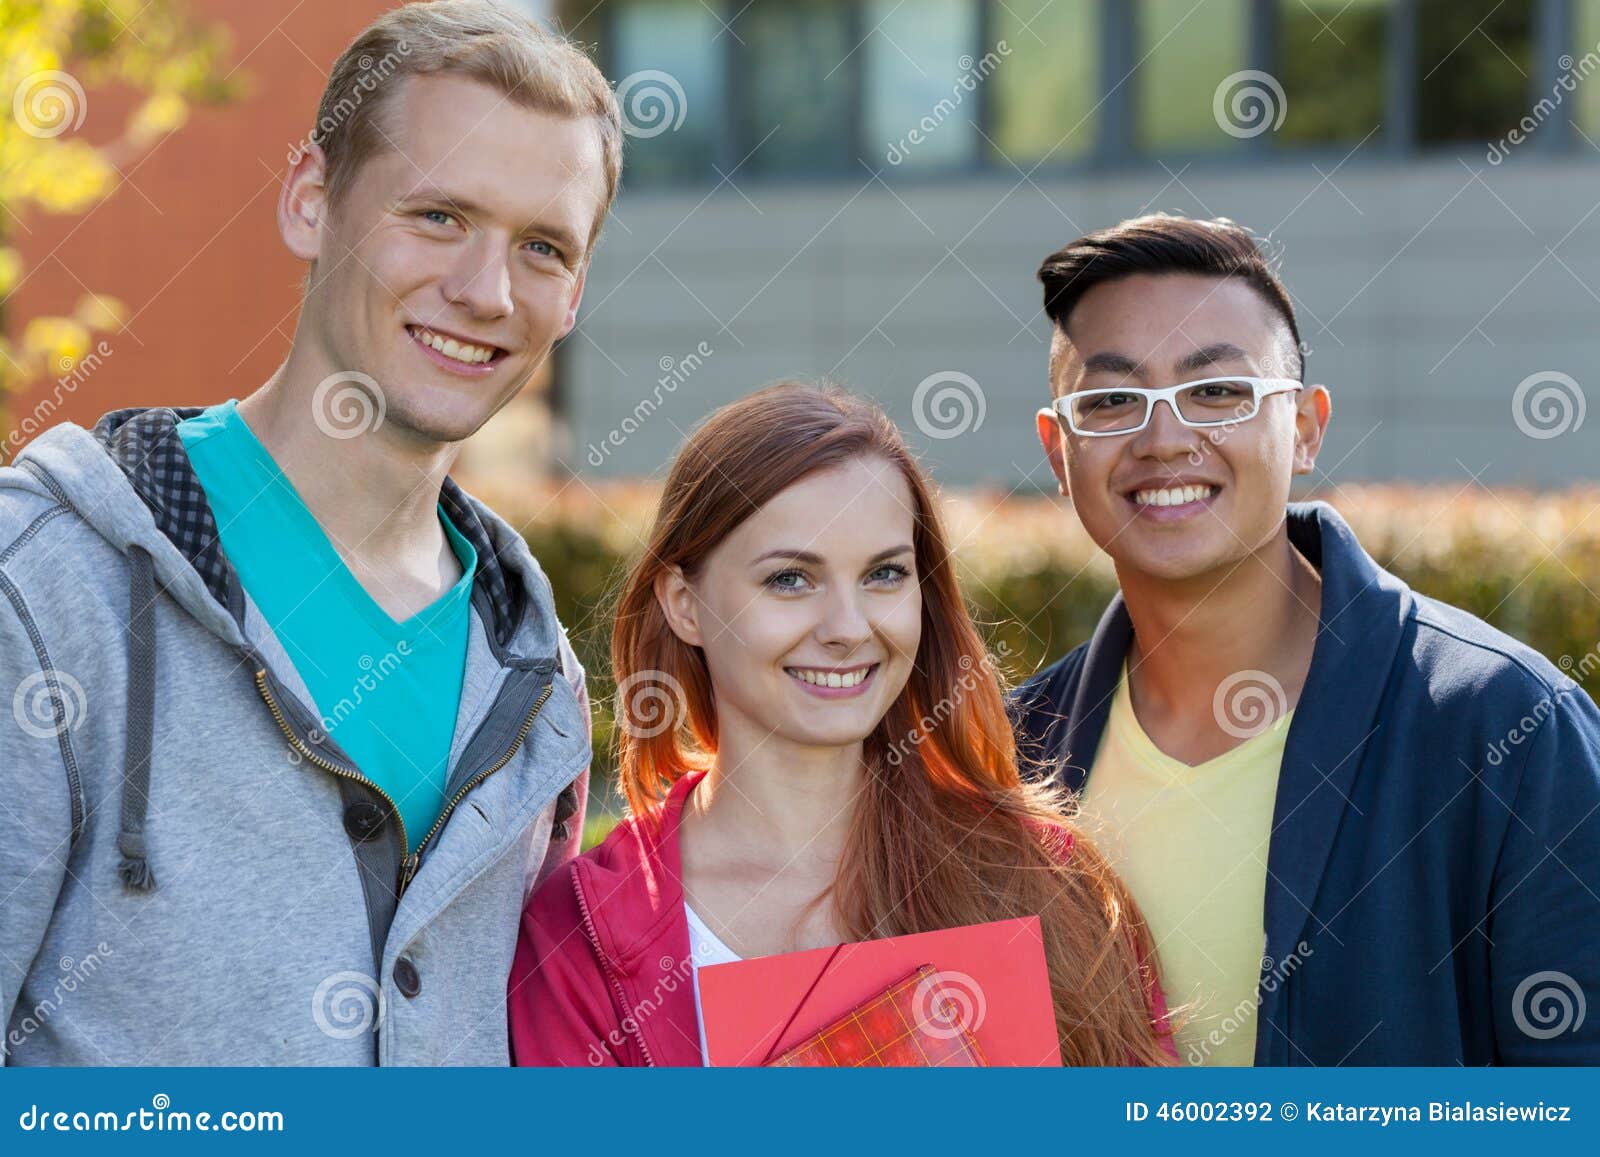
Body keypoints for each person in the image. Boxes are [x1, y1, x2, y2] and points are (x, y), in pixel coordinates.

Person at [0, 0, 617, 1064]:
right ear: (310, 200)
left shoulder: (538, 685)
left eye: (542, 247)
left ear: (572, 298)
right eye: (437, 217)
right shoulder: (48, 588)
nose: (483, 290)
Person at [1012, 212, 1600, 1066]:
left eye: (1217, 391)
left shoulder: (1503, 727)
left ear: (1307, 428)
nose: (1165, 438)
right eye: (1111, 400)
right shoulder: (1007, 756)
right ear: (1059, 452)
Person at [509, 382, 1176, 1067]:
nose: (849, 629)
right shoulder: (579, 931)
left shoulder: (1046, 879)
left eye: (884, 574)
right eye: (791, 579)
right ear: (684, 604)